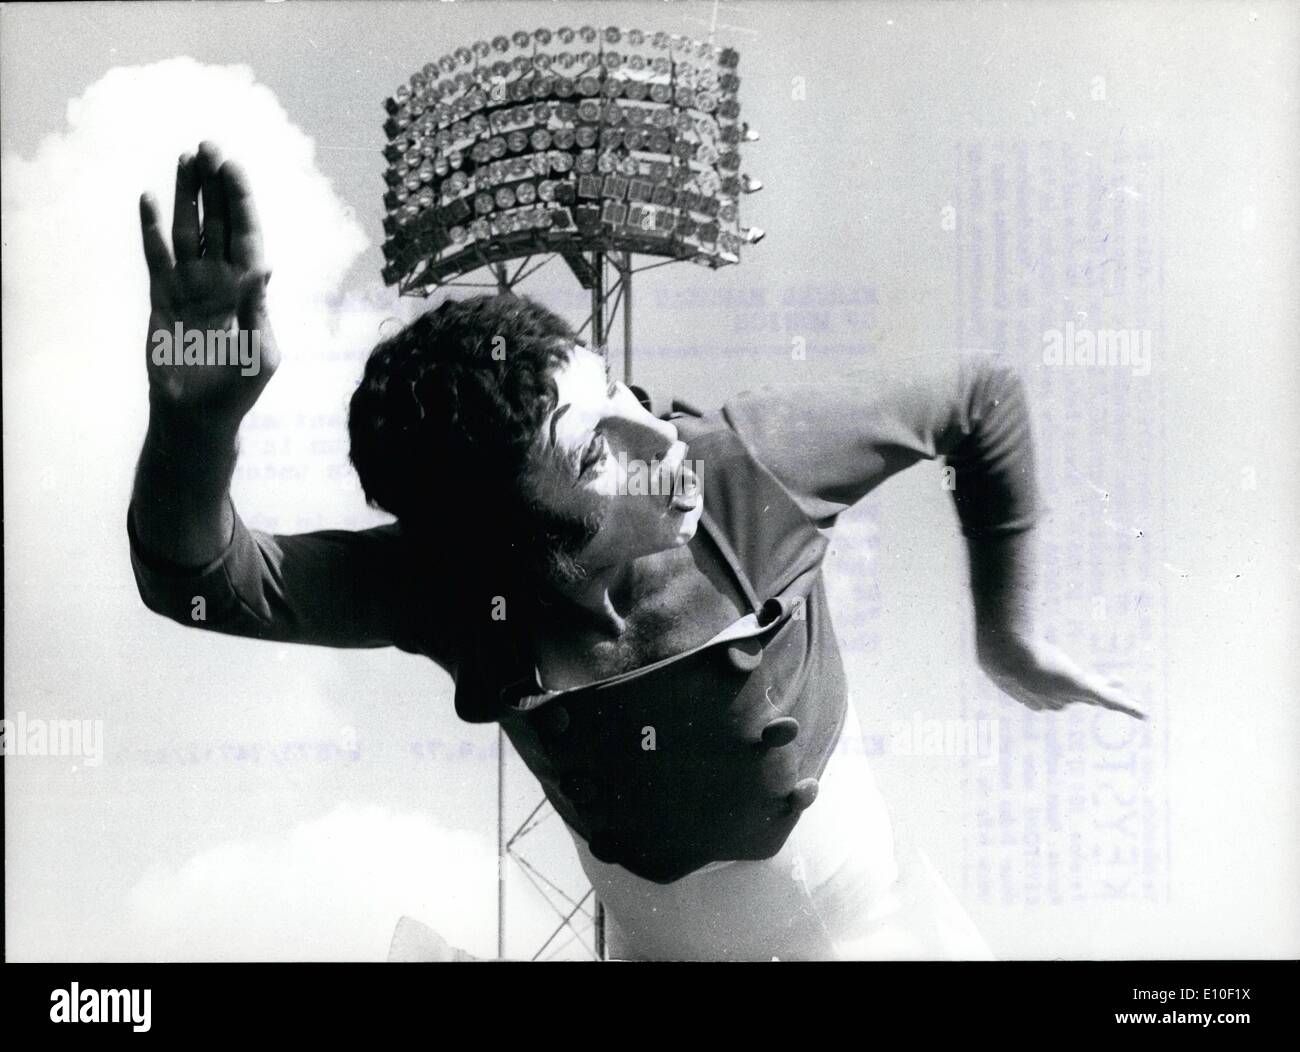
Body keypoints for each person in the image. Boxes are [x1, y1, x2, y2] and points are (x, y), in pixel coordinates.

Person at [130, 142, 1143, 961]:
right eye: (596, 448)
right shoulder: (446, 586)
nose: (656, 435)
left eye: (614, 387)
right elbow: (201, 583)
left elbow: (978, 398)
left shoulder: (749, 468)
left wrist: (1006, 636)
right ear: (505, 541)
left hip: (866, 931)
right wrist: (194, 421)